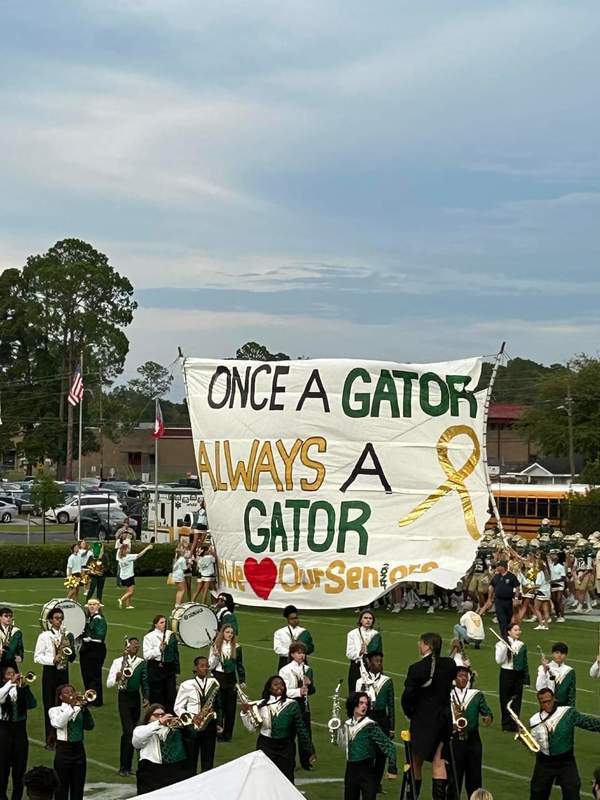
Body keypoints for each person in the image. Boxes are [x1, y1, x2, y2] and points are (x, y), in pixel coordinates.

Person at [401, 632, 457, 800]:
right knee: (439, 760)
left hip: (423, 720)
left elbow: (407, 696)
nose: (419, 645)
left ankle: (412, 797)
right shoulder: (450, 664)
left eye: (421, 643)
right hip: (444, 719)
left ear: (427, 646)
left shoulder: (417, 668)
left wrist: (410, 713)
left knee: (415, 761)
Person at [240, 675, 315, 784]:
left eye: (282, 685)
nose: (280, 687)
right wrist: (244, 713)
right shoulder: (260, 705)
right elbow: (251, 728)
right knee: (265, 779)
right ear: (269, 688)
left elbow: (301, 729)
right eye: (276, 684)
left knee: (287, 779)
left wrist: (309, 750)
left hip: (286, 747)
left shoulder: (292, 704)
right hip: (265, 746)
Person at [529, 687, 600, 800]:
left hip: (566, 761)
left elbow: (588, 723)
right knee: (537, 793)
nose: (547, 704)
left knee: (572, 793)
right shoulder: (534, 720)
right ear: (539, 702)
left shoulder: (567, 713)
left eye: (549, 701)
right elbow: (534, 744)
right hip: (544, 762)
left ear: (554, 699)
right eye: (543, 702)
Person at [335, 691, 397, 800]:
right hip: (350, 770)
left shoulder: (370, 725)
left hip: (366, 771)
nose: (364, 706)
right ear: (353, 704)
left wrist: (392, 767)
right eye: (361, 703)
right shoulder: (347, 724)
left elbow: (388, 745)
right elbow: (342, 745)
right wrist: (336, 731)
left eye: (366, 704)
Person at [447, 666, 493, 800]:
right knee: (454, 779)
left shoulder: (476, 695)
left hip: (473, 741)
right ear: (454, 678)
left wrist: (488, 717)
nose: (463, 678)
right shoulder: (448, 693)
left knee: (475, 778)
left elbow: (487, 712)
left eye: (465, 676)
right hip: (454, 740)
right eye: (460, 675)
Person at [34, 608, 76, 747]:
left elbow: (72, 658)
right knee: (50, 705)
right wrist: (52, 660)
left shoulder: (67, 635)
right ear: (51, 620)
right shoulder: (44, 636)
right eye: (57, 618)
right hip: (50, 672)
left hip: (63, 671)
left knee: (64, 705)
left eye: (61, 618)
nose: (59, 620)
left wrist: (70, 647)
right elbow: (37, 657)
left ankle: (62, 738)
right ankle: (50, 739)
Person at [106, 636, 148, 777]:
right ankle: (124, 766)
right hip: (123, 697)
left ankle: (129, 767)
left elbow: (144, 681)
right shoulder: (118, 662)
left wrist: (146, 697)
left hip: (135, 698)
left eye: (137, 644)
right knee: (128, 731)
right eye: (133, 644)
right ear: (127, 646)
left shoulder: (141, 662)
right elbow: (108, 684)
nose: (136, 646)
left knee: (134, 732)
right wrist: (117, 677)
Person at [355, 651, 395, 794]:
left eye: (381, 661)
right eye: (376, 661)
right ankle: (367, 782)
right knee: (367, 751)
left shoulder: (387, 680)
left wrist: (392, 727)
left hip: (382, 719)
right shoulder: (361, 681)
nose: (379, 664)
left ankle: (376, 783)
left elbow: (391, 705)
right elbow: (356, 703)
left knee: (381, 753)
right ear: (369, 663)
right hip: (367, 717)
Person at [174, 655, 221, 776]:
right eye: (202, 666)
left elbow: (218, 705)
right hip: (192, 726)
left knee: (208, 760)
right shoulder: (186, 685)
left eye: (207, 666)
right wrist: (191, 717)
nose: (205, 668)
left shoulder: (214, 683)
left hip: (209, 725)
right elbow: (178, 707)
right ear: (195, 668)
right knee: (190, 760)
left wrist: (218, 720)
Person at [48, 684, 94, 800]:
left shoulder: (79, 709)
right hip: (63, 751)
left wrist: (85, 710)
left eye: (72, 692)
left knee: (78, 788)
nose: (71, 694)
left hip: (79, 751)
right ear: (61, 697)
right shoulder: (54, 710)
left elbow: (90, 726)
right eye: (67, 692)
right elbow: (59, 723)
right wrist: (72, 707)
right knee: (61, 789)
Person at [132, 703, 187, 794]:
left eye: (163, 715)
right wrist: (159, 723)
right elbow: (136, 742)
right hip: (150, 771)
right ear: (148, 718)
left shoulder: (174, 730)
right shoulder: (141, 729)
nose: (161, 717)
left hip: (172, 770)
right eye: (156, 715)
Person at [0, 665, 37, 800]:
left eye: (14, 673)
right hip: (4, 733)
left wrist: (24, 689)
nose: (13, 675)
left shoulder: (21, 690)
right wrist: (10, 683)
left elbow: (32, 704)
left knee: (19, 770)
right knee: (2, 769)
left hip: (20, 733)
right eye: (9, 674)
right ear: (4, 678)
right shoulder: (2, 690)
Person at [279, 642, 315, 768]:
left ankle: (306, 762)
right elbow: (283, 691)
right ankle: (289, 761)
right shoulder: (285, 670)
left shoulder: (307, 669)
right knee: (290, 734)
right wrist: (299, 692)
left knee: (305, 734)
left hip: (304, 705)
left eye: (303, 653)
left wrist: (309, 684)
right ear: (292, 654)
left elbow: (312, 691)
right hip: (290, 704)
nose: (301, 655)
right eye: (299, 653)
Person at [208, 624, 245, 742]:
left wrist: (242, 680)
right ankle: (218, 732)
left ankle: (228, 735)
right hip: (219, 677)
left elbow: (239, 665)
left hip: (231, 679)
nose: (230, 635)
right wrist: (215, 656)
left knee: (230, 708)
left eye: (231, 633)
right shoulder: (216, 646)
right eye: (227, 632)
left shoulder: (237, 647)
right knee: (218, 707)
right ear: (222, 633)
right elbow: (211, 666)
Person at [495, 621, 529, 732]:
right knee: (505, 699)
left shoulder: (521, 645)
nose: (518, 632)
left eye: (519, 630)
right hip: (506, 673)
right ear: (509, 632)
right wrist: (505, 649)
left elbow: (524, 662)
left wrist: (526, 678)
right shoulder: (501, 644)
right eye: (515, 630)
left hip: (518, 674)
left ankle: (514, 724)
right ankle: (506, 724)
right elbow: (499, 661)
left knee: (516, 700)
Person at [143, 615, 180, 713]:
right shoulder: (149, 637)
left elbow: (175, 653)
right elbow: (146, 655)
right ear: (155, 624)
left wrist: (177, 670)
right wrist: (159, 649)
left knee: (171, 695)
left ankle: (170, 716)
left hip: (169, 668)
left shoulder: (171, 635)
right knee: (156, 695)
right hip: (155, 668)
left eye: (165, 622)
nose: (164, 624)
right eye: (161, 622)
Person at [346, 611, 382, 694]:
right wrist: (360, 653)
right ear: (361, 620)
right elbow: (349, 654)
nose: (368, 620)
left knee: (372, 693)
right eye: (365, 618)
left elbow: (379, 653)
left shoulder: (376, 634)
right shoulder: (353, 634)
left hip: (372, 668)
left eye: (370, 618)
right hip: (357, 667)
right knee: (355, 693)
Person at [480, 560, 519, 636]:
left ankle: (508, 633)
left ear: (503, 567)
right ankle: (504, 635)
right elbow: (491, 586)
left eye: (499, 566)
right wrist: (489, 598)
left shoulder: (511, 576)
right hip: (498, 601)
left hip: (508, 601)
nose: (497, 568)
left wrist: (516, 598)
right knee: (501, 619)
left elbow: (517, 587)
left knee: (508, 618)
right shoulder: (496, 576)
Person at [79, 600, 106, 707]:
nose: (92, 606)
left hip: (95, 650)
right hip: (87, 649)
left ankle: (96, 700)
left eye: (94, 604)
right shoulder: (89, 618)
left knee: (94, 675)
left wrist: (87, 638)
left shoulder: (99, 619)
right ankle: (90, 697)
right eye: (90, 605)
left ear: (98, 606)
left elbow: (100, 637)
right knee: (86, 674)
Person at [273, 606, 315, 670]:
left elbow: (311, 648)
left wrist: (301, 652)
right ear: (287, 619)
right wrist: (292, 654)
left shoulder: (304, 632)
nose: (295, 620)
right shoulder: (279, 632)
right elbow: (277, 648)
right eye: (292, 618)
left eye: (296, 618)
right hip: (285, 662)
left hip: (301, 662)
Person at [536, 642, 576, 706]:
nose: (559, 655)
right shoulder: (543, 668)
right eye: (557, 653)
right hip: (548, 706)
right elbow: (539, 688)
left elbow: (571, 694)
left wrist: (571, 708)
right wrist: (545, 671)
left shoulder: (569, 671)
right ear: (552, 654)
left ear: (566, 655)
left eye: (562, 653)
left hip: (563, 707)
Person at [117, 542, 153, 609]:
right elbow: (139, 555)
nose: (129, 549)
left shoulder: (119, 557)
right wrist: (147, 548)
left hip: (123, 577)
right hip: (129, 576)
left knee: (128, 591)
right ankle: (121, 599)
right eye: (128, 548)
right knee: (131, 592)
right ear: (125, 550)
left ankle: (128, 605)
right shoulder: (128, 557)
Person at [534, 559, 552, 630]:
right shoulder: (547, 573)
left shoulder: (540, 574)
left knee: (536, 608)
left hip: (541, 592)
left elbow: (538, 585)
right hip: (547, 593)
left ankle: (541, 624)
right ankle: (546, 626)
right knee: (546, 609)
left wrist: (531, 587)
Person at [549, 552, 567, 623]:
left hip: (559, 585)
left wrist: (554, 581)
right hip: (553, 585)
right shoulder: (551, 565)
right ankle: (557, 614)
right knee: (554, 600)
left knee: (558, 599)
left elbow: (563, 578)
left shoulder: (561, 566)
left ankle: (562, 616)